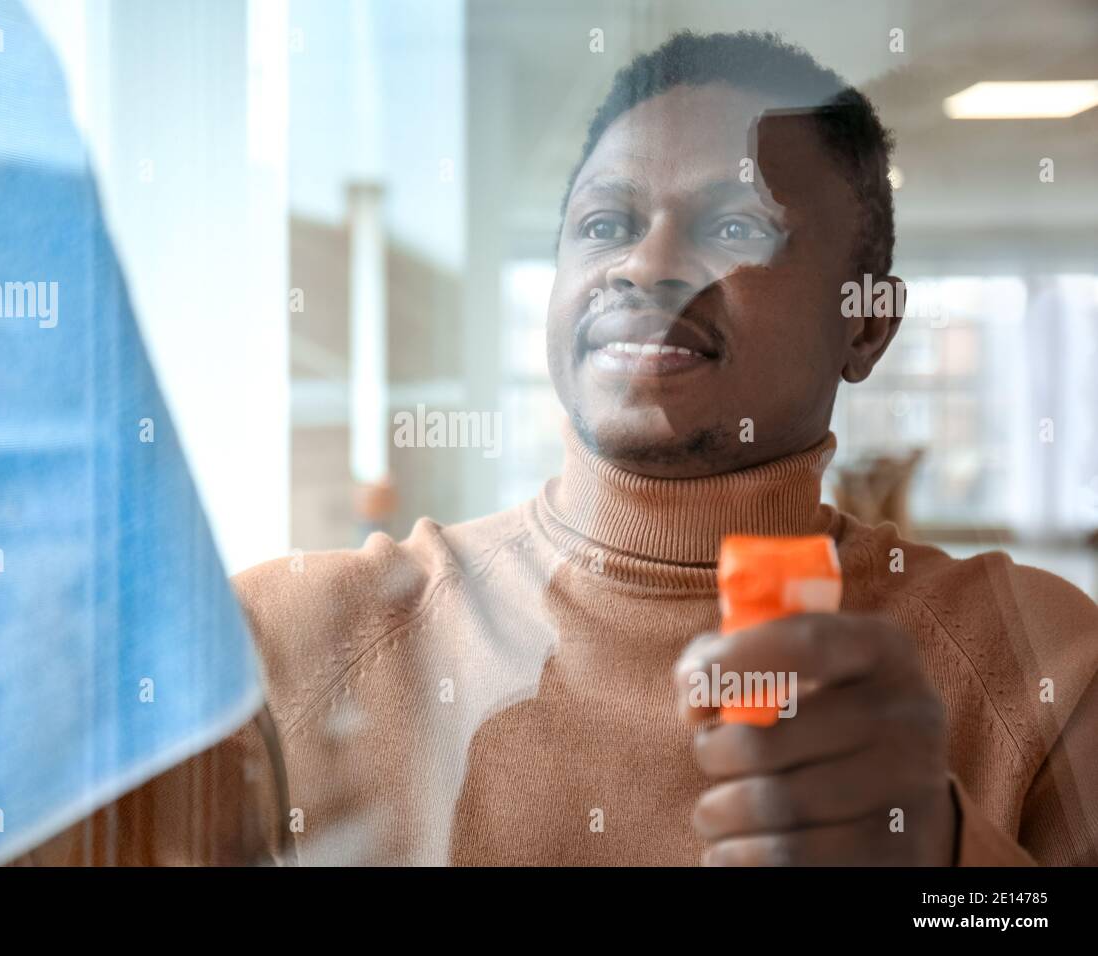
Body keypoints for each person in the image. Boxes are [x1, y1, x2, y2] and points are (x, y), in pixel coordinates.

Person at [224, 31, 1098, 866]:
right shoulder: (280, 645)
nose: (645, 265)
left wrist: (947, 861)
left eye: (739, 228)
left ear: (865, 324)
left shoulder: (1044, 662)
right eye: (605, 224)